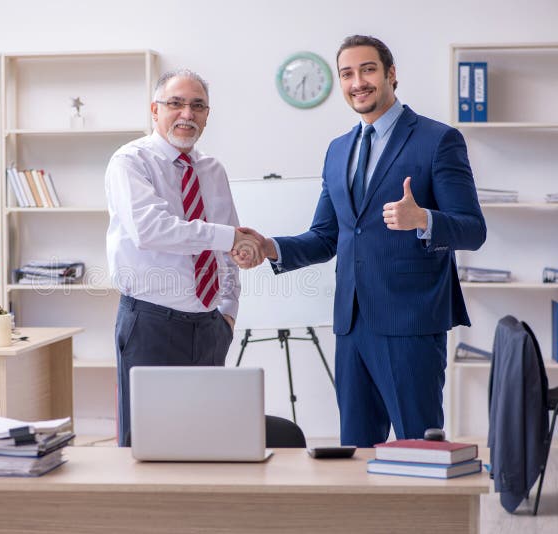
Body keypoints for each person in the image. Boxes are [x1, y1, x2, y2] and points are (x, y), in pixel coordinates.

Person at [235, 35, 486, 447]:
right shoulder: (338, 150)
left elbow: (473, 229)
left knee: (417, 448)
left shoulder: (437, 139)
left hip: (411, 323)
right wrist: (269, 247)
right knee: (354, 451)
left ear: (391, 74)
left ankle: (420, 516)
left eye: (367, 70)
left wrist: (423, 218)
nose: (357, 82)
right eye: (347, 74)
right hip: (351, 326)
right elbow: (326, 235)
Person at [105, 69, 258, 447]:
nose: (187, 114)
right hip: (150, 324)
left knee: (206, 442)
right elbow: (151, 230)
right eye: (175, 103)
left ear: (207, 115)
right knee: (146, 445)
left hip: (210, 327)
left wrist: (228, 311)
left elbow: (231, 252)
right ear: (154, 110)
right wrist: (229, 238)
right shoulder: (131, 161)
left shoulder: (213, 170)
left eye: (197, 105)